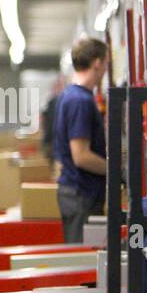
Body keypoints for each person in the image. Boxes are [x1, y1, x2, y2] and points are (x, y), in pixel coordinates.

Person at [54, 37, 109, 243]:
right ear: (97, 63)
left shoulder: (69, 95)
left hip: (76, 193)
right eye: (106, 64)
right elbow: (81, 156)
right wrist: (115, 170)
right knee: (83, 261)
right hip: (81, 195)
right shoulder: (81, 101)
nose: (105, 70)